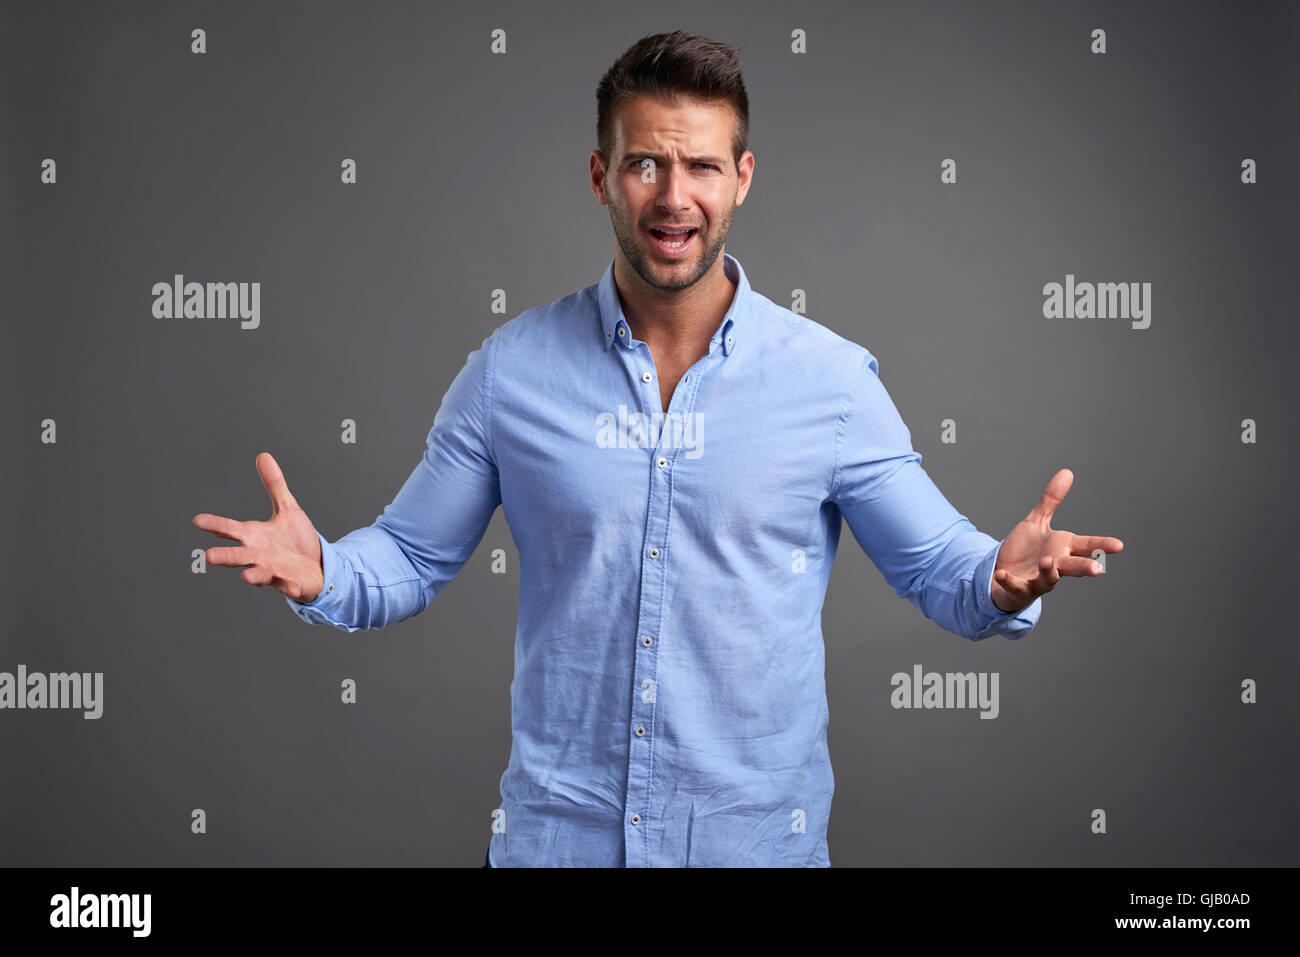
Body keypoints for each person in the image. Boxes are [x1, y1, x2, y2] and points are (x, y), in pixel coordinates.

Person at [193, 31, 1123, 867]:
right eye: (645, 164)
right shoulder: (509, 372)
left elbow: (941, 570)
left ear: (742, 178)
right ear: (600, 176)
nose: (674, 198)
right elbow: (408, 554)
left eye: (702, 168)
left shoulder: (832, 385)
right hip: (554, 848)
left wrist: (1002, 581)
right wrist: (324, 571)